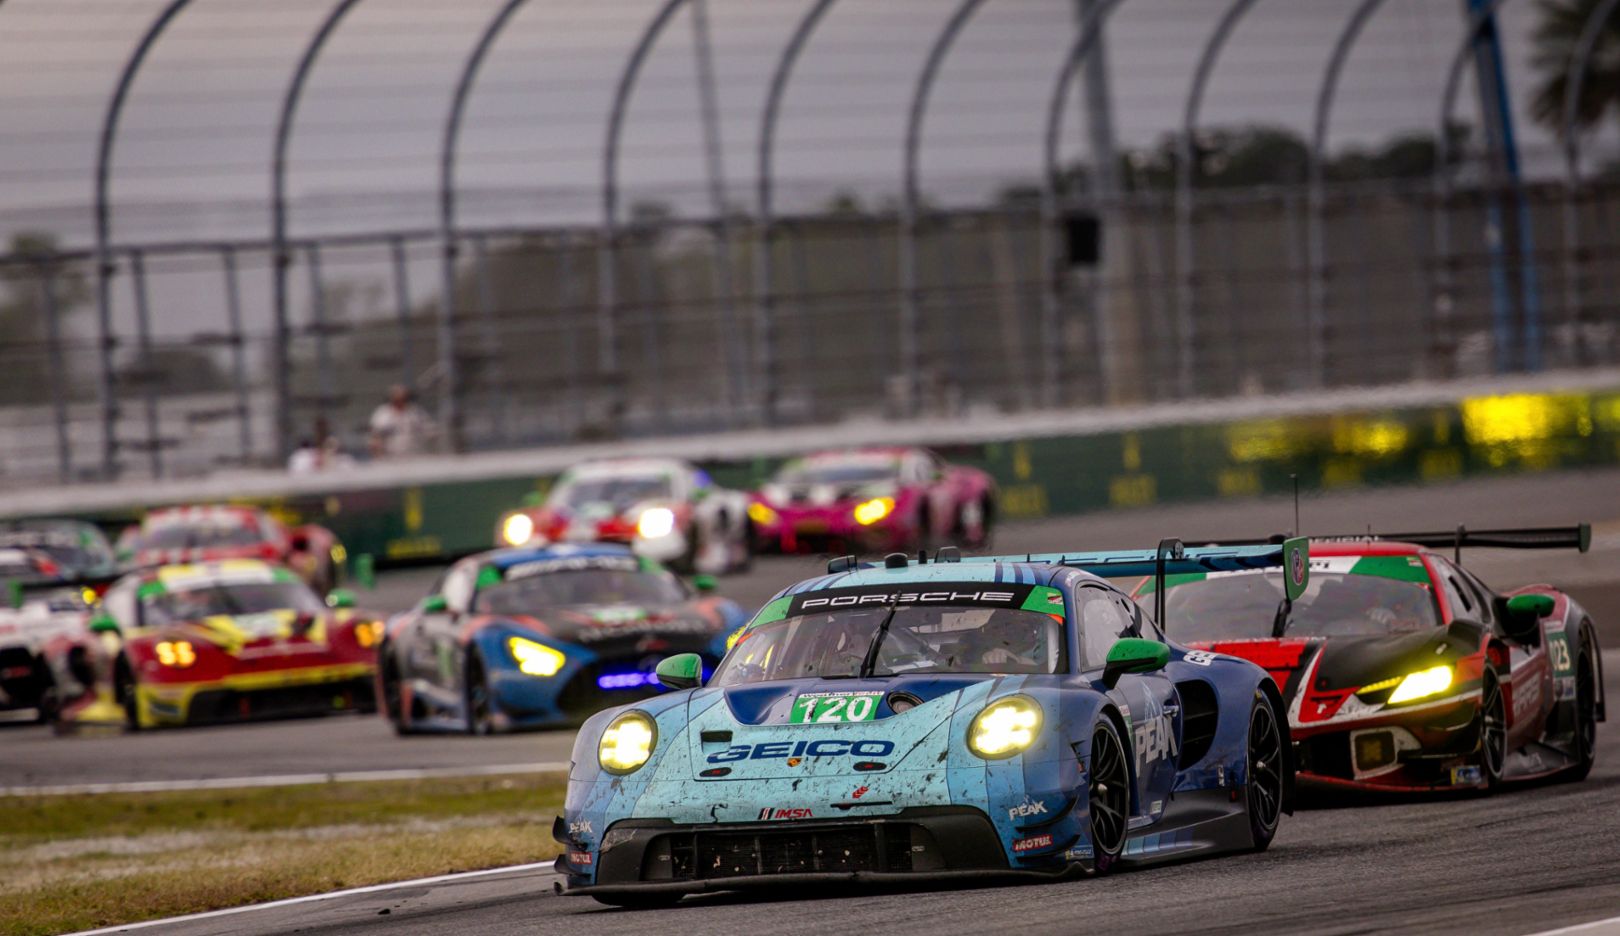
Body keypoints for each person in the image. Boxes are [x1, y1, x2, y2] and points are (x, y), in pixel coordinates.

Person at [368, 385, 437, 458]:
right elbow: (375, 436)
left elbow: (431, 432)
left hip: (415, 455)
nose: (400, 400)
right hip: (390, 457)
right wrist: (377, 455)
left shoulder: (416, 412)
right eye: (396, 398)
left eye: (403, 398)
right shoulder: (382, 413)